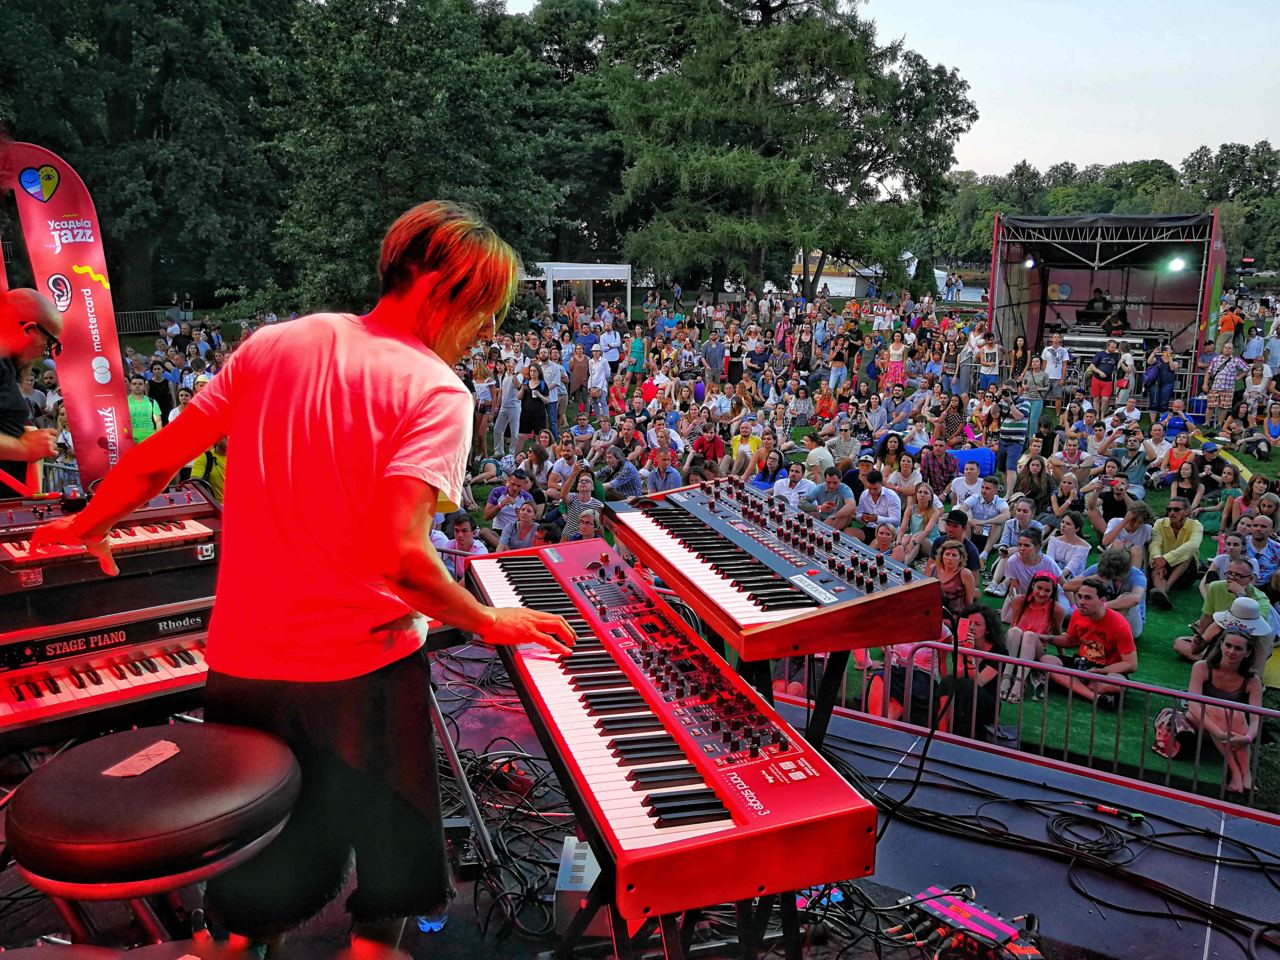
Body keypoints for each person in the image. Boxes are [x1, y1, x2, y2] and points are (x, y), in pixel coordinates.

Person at [28, 201, 575, 956]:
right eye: (486, 310)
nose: (488, 332)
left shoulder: (275, 343)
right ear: (444, 288)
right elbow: (401, 558)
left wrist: (86, 524)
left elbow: (159, 459)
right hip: (361, 673)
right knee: (388, 881)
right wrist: (491, 622)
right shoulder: (437, 391)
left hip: (244, 662)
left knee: (257, 872)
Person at [1186, 629, 1263, 795]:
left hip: (1231, 728)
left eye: (1238, 648)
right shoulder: (1202, 667)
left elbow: (1256, 719)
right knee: (1225, 712)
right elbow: (1193, 705)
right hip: (1199, 722)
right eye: (1228, 645)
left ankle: (1245, 774)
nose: (1231, 651)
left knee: (1235, 714)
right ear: (1220, 645)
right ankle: (1237, 771)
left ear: (1248, 652)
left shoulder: (1252, 681)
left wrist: (1247, 738)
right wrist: (1218, 731)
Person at [1040, 578, 1137, 708]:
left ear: (1103, 601)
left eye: (1087, 598)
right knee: (1046, 660)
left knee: (1117, 684)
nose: (1081, 602)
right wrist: (1048, 638)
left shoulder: (1120, 624)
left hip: (1108, 669)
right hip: (1082, 663)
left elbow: (1131, 664)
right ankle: (1095, 696)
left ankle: (1073, 685)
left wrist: (1100, 671)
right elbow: (1071, 640)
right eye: (1079, 597)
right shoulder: (1078, 614)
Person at [0, 290, 61, 490]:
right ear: (28, 330)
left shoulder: (7, 367)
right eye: (49, 343)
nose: (44, 352)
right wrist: (23, 448)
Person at [1002, 573, 1069, 703]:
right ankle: (1005, 678)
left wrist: (1062, 656)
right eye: (1039, 588)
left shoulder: (1057, 609)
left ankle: (1018, 685)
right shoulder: (1019, 601)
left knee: (1029, 635)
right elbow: (1012, 626)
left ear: (1053, 592)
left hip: (1036, 650)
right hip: (1015, 644)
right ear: (1033, 585)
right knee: (1015, 631)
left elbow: (1058, 633)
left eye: (1047, 590)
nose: (1041, 593)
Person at [1069, 547, 1147, 640]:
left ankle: (1098, 632)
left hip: (1130, 624)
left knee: (1126, 597)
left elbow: (1135, 599)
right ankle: (1091, 630)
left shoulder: (1137, 575)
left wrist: (1101, 606)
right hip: (1100, 615)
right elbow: (1068, 586)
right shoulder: (1099, 569)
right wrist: (1095, 577)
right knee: (1085, 590)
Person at [1149, 497, 1204, 608]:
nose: (1171, 513)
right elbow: (1155, 543)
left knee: (1188, 555)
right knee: (1155, 561)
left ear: (1187, 511)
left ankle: (1165, 590)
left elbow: (1193, 545)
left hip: (1186, 573)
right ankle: (1161, 593)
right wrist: (1158, 559)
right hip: (1163, 566)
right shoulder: (1160, 523)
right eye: (1169, 510)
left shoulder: (1196, 525)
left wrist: (1166, 560)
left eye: (1176, 509)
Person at [853, 470, 902, 544]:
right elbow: (858, 515)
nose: (872, 491)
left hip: (887, 531)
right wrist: (862, 517)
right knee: (848, 532)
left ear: (882, 484)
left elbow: (896, 521)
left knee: (875, 543)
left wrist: (877, 519)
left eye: (875, 488)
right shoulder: (864, 494)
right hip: (869, 528)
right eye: (869, 488)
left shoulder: (892, 496)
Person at [442, 514, 487, 581]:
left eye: (464, 531)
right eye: (456, 530)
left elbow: (471, 577)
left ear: (474, 533)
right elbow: (436, 561)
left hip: (477, 582)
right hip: (461, 578)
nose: (460, 535)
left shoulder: (480, 551)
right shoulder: (451, 544)